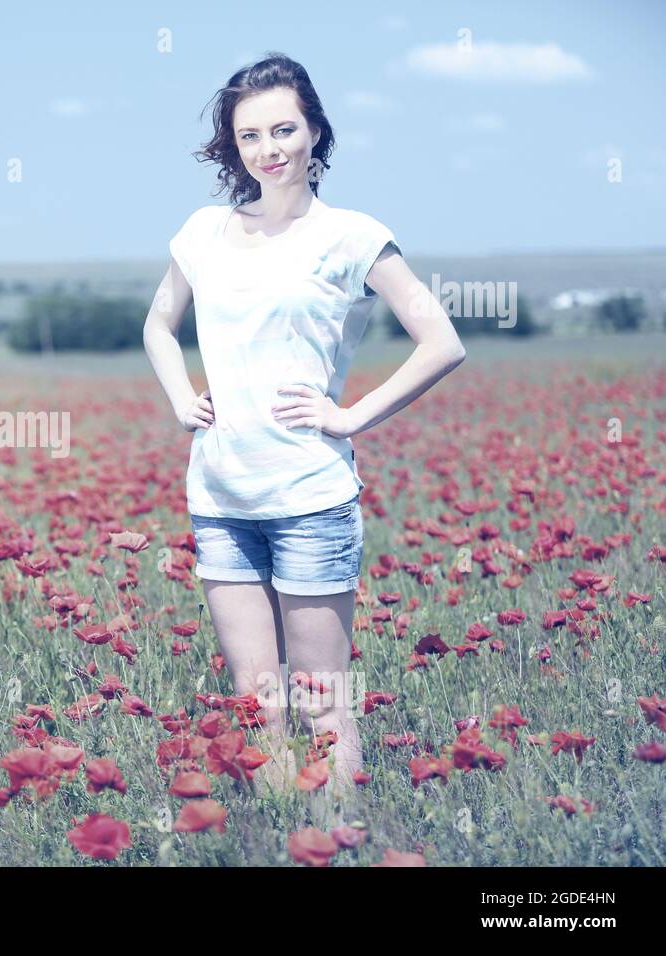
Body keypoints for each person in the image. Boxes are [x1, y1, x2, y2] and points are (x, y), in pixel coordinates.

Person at [143, 53, 466, 814]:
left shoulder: (353, 237)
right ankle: (281, 845)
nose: (269, 148)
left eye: (284, 128)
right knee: (260, 706)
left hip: (311, 500)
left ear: (316, 130)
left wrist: (350, 416)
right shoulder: (204, 231)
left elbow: (442, 341)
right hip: (220, 499)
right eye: (250, 135)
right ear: (234, 147)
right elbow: (160, 323)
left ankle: (339, 839)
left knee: (324, 705)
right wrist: (179, 395)